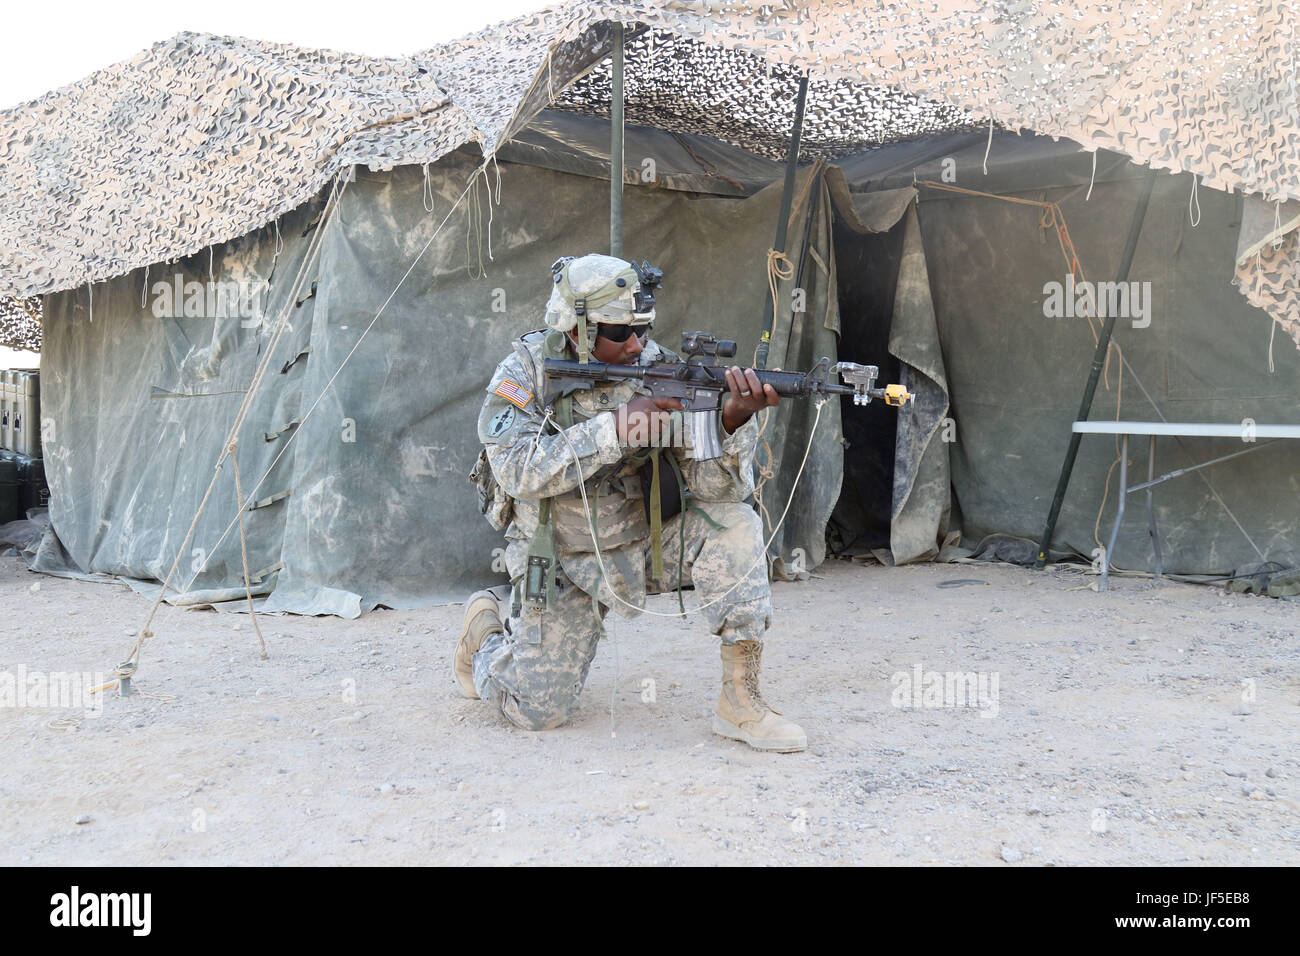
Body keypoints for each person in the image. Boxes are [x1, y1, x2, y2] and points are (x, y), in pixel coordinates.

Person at [455, 253, 806, 752]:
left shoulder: (659, 372)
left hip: (646, 544)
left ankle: (740, 703)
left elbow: (714, 490)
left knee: (736, 525)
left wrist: (731, 424)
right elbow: (518, 472)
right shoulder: (526, 372)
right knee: (536, 711)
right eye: (620, 334)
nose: (636, 345)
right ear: (576, 327)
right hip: (560, 558)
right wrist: (615, 429)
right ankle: (485, 638)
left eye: (641, 330)